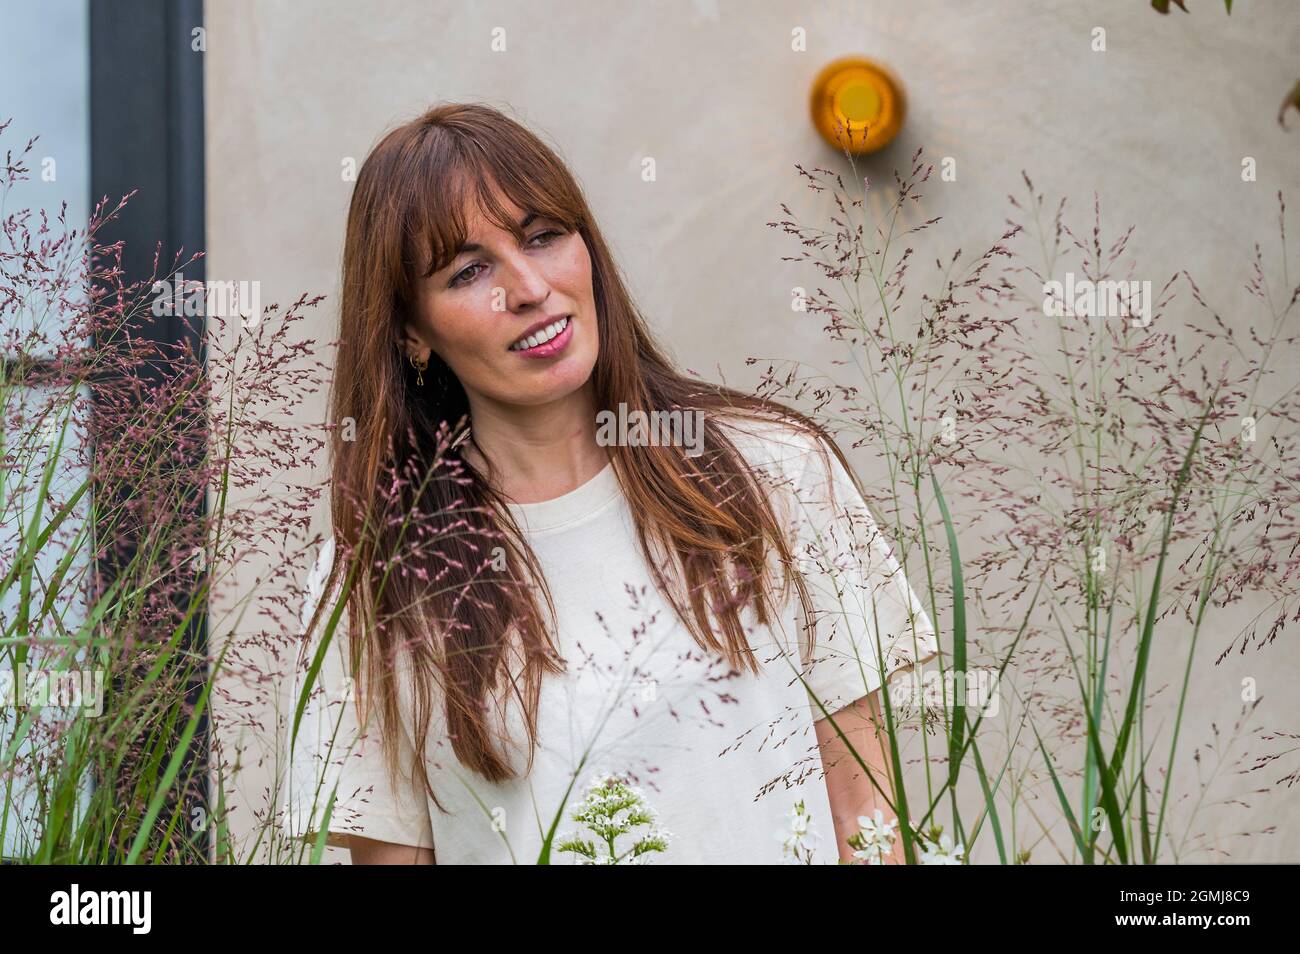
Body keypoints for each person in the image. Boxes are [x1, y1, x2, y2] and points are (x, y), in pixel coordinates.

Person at [280, 102, 938, 865]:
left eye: (542, 236)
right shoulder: (380, 578)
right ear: (410, 331)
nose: (528, 287)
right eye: (468, 271)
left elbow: (867, 817)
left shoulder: (774, 472)